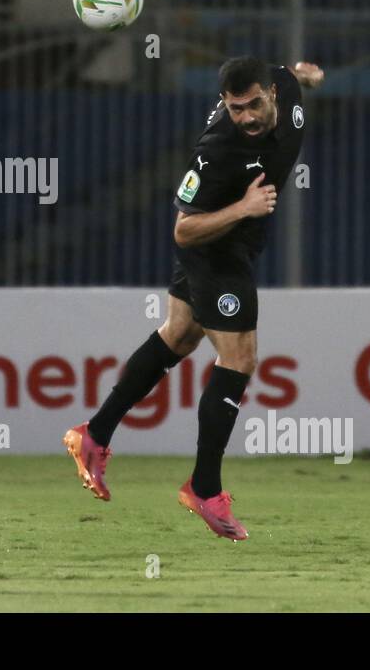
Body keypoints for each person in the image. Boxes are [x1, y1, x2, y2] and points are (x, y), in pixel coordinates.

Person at [64, 57, 325, 540]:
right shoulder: (219, 148)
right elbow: (184, 230)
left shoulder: (284, 83)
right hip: (215, 247)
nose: (244, 117)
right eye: (234, 108)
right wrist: (245, 207)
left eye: (252, 105)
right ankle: (204, 488)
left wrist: (304, 75)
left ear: (272, 91)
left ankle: (94, 434)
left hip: (241, 241)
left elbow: (287, 71)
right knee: (240, 357)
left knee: (179, 335)